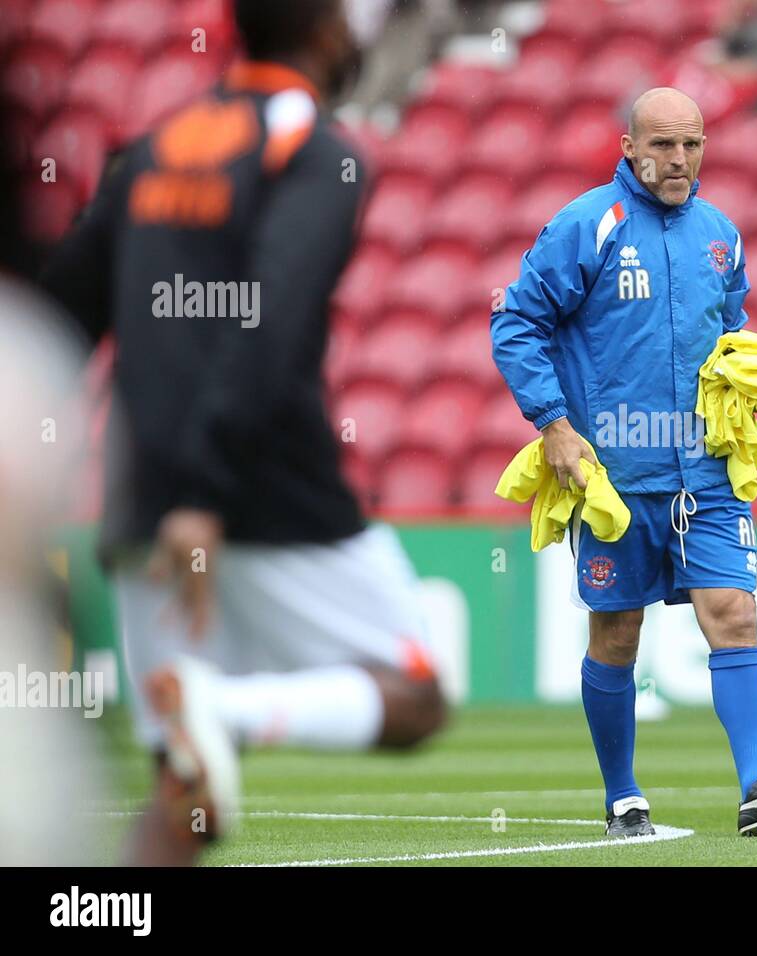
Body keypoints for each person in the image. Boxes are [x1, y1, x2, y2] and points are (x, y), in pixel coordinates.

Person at [39, 0, 447, 866]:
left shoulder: (151, 149)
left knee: (183, 802)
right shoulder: (315, 155)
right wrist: (204, 490)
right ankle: (226, 705)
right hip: (259, 490)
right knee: (416, 699)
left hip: (146, 491)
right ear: (332, 33)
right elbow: (269, 321)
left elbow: (55, 317)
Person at [490, 87, 757, 838]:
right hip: (614, 477)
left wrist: (747, 382)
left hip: (704, 471)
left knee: (734, 613)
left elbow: (729, 336)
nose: (679, 160)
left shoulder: (721, 238)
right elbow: (514, 320)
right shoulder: (587, 226)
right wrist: (553, 424)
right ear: (629, 147)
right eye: (664, 146)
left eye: (693, 145)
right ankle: (622, 796)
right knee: (617, 635)